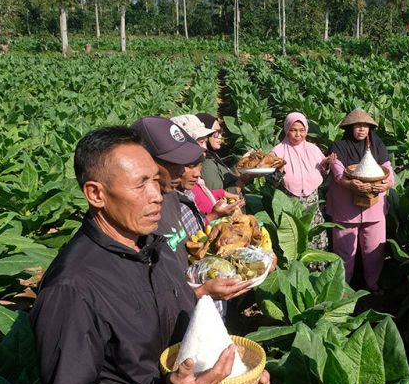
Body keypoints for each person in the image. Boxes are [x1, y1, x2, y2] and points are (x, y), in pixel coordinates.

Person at [31, 127, 274, 384]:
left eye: (157, 180)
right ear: (96, 194)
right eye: (140, 183)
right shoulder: (72, 288)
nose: (157, 193)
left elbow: (188, 340)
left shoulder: (158, 250)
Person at [132, 116, 249, 301]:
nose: (182, 172)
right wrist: (198, 294)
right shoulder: (135, 223)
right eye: (174, 163)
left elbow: (189, 243)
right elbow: (147, 303)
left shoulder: (171, 197)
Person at [327, 109, 394, 292]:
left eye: (365, 126)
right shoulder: (338, 146)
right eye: (357, 126)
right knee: (344, 252)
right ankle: (342, 289)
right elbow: (338, 173)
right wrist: (351, 184)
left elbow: (389, 172)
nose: (361, 130)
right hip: (345, 210)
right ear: (349, 128)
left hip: (374, 209)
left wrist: (386, 185)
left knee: (374, 251)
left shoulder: (377, 146)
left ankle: (372, 285)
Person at [268, 112, 335, 253]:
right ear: (286, 130)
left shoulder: (313, 149)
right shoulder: (277, 151)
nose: (298, 134)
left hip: (313, 204)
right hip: (290, 204)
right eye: (293, 130)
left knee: (315, 237)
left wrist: (326, 165)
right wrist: (279, 170)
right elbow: (270, 183)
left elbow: (323, 174)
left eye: (301, 130)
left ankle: (317, 272)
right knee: (294, 240)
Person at [196, 112, 244, 194]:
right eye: (216, 132)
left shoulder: (212, 156)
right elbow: (218, 197)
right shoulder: (206, 163)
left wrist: (240, 165)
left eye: (221, 132)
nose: (220, 136)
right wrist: (243, 180)